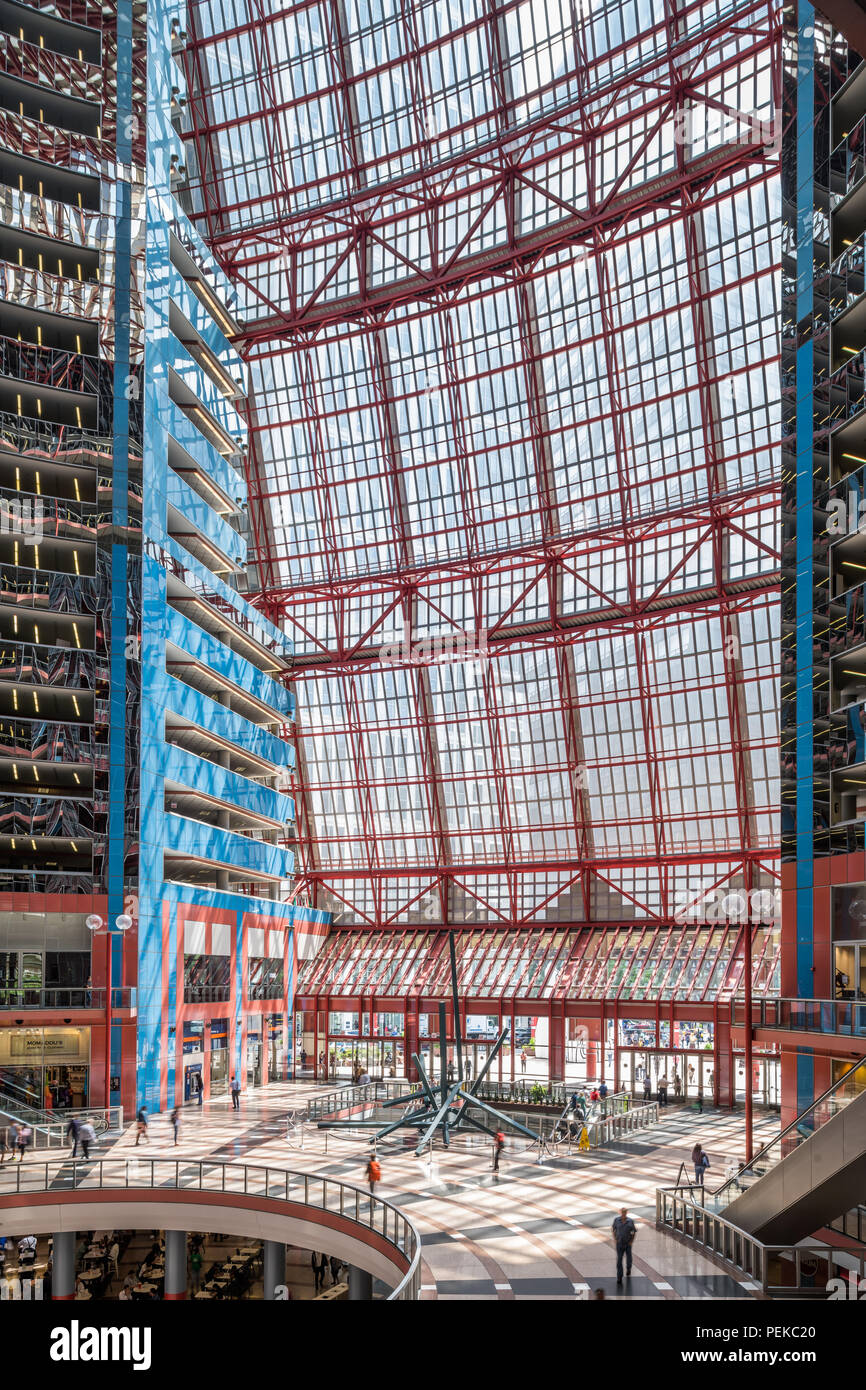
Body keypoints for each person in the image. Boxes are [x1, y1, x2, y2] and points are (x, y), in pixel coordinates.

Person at [612, 1207, 636, 1284]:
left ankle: (628, 1268)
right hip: (619, 1243)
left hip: (627, 1243)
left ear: (626, 1213)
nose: (623, 1213)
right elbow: (613, 1229)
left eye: (625, 1212)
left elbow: (633, 1231)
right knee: (619, 1260)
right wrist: (615, 1239)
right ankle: (619, 1277)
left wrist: (631, 1241)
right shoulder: (616, 1220)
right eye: (622, 1212)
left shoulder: (630, 1221)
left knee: (629, 1258)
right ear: (620, 1212)